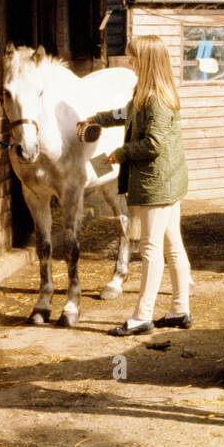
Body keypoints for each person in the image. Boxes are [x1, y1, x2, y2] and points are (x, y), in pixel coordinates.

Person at [77, 35, 191, 335]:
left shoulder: (158, 100)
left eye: (134, 57)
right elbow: (125, 114)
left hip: (157, 185)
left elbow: (152, 145)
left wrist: (119, 154)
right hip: (167, 182)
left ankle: (142, 316)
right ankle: (180, 309)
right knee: (173, 245)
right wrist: (96, 119)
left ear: (148, 61)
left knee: (151, 250)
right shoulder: (145, 93)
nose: (130, 62)